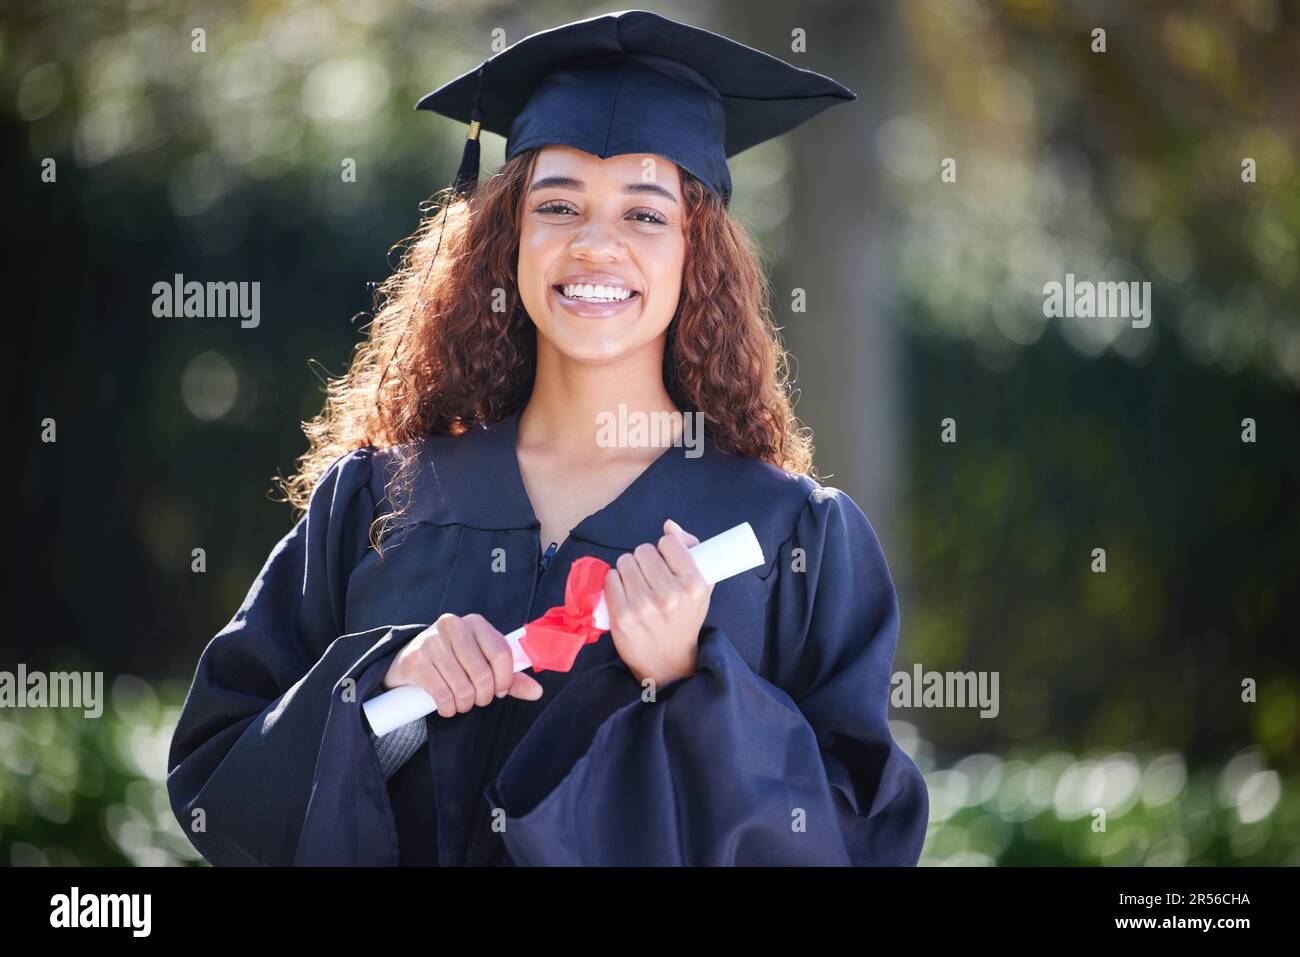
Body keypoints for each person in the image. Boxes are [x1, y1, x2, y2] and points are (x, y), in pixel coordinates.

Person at [166, 9, 929, 866]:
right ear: (509, 238)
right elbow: (217, 788)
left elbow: (860, 842)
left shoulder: (788, 538)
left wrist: (695, 681)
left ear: (696, 252)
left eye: (645, 214)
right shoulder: (378, 501)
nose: (595, 246)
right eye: (558, 204)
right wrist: (382, 688)